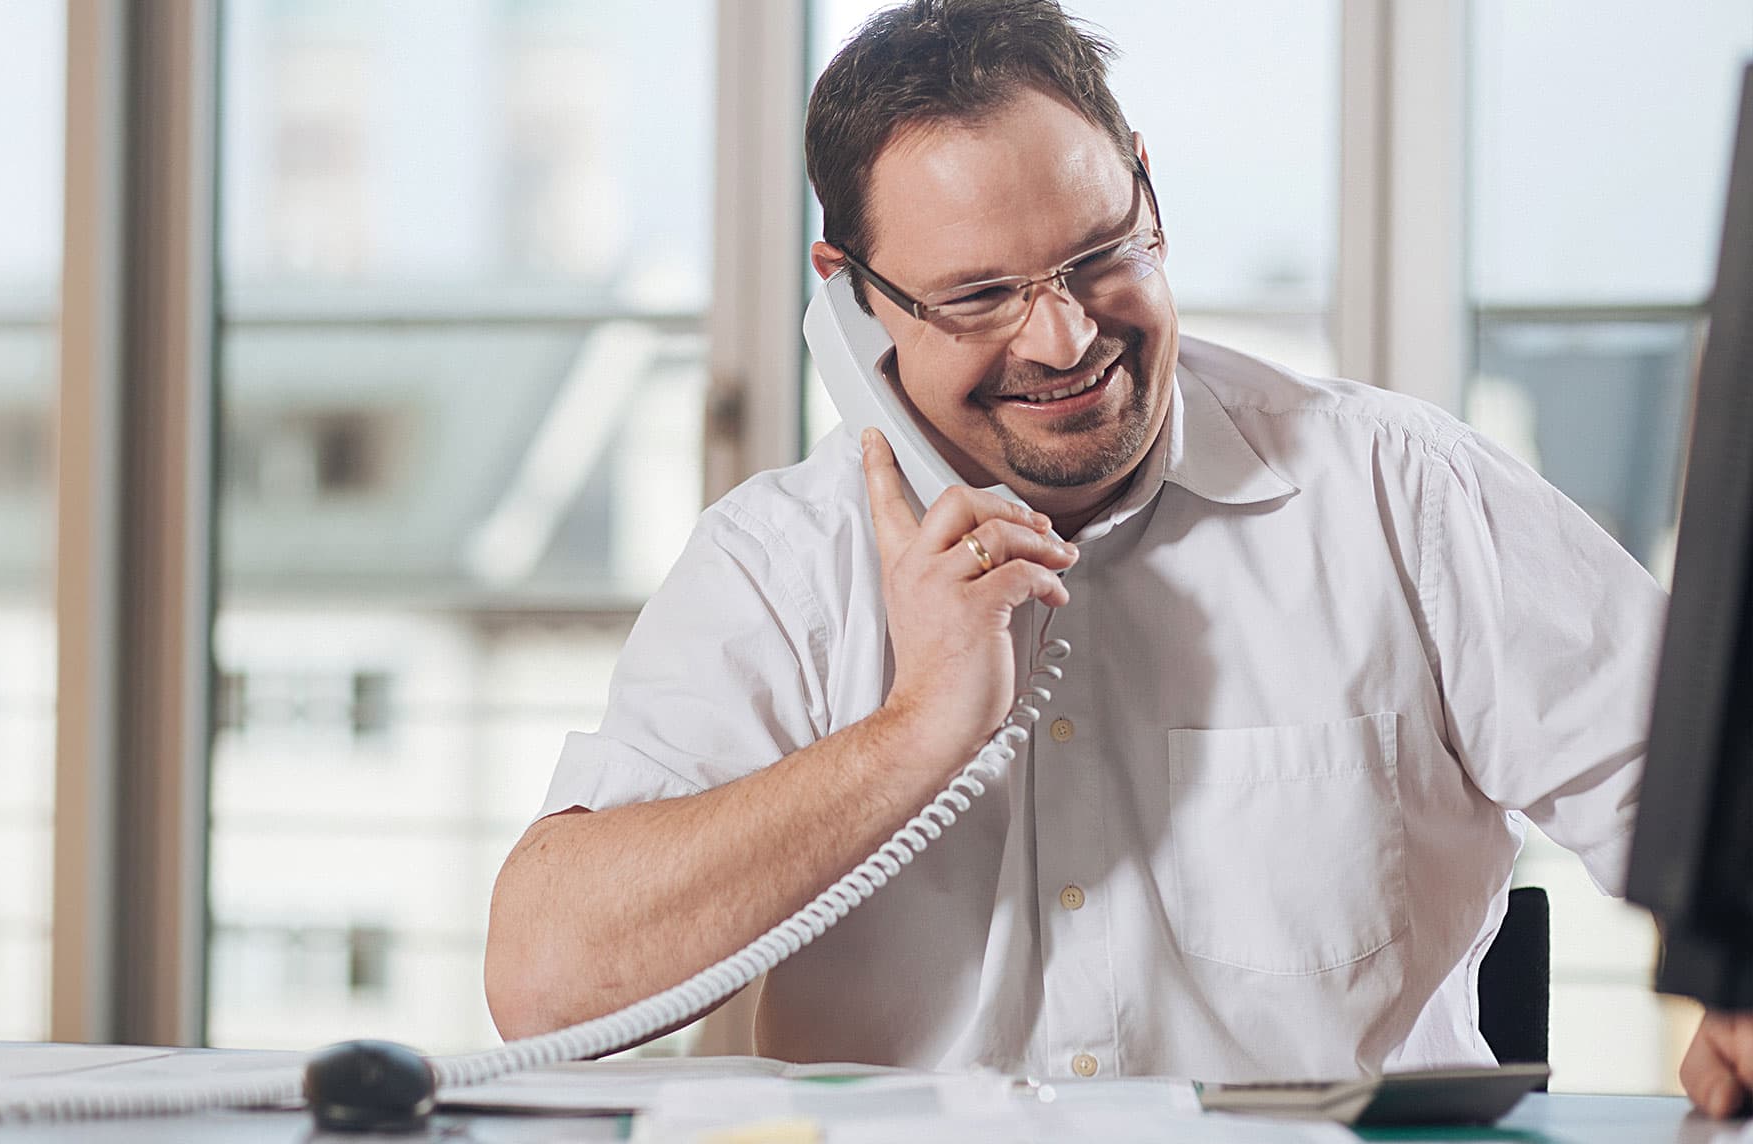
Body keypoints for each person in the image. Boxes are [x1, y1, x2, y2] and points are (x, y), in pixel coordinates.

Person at [481, 0, 1753, 1115]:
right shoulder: (779, 564)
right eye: (979, 295)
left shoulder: (1394, 492)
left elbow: (1713, 802)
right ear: (855, 301)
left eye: (1101, 254)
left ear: (1149, 186)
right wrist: (914, 729)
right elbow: (545, 987)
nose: (1067, 336)